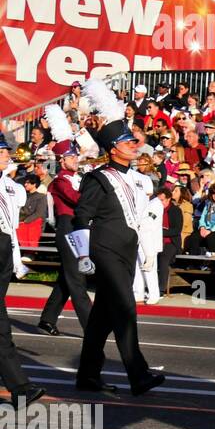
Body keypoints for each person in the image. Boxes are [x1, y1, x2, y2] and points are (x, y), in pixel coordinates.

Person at [67, 80, 166, 396]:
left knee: (101, 319)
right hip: (104, 250)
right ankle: (138, 375)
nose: (134, 144)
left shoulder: (137, 179)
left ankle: (87, 376)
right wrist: (83, 255)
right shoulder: (98, 178)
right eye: (127, 142)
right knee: (125, 308)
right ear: (113, 149)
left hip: (126, 252)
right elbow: (81, 216)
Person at [38, 104, 93, 335]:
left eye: (75, 155)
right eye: (72, 156)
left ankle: (47, 319)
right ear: (62, 160)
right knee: (77, 279)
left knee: (67, 278)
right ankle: (92, 327)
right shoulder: (61, 181)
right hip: (67, 228)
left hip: (78, 229)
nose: (76, 158)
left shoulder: (78, 177)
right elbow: (77, 200)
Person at [0, 135, 45, 404]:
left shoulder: (9, 186)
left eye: (6, 150)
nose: (8, 154)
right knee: (1, 325)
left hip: (5, 249)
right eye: (2, 150)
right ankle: (20, 388)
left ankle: (20, 388)